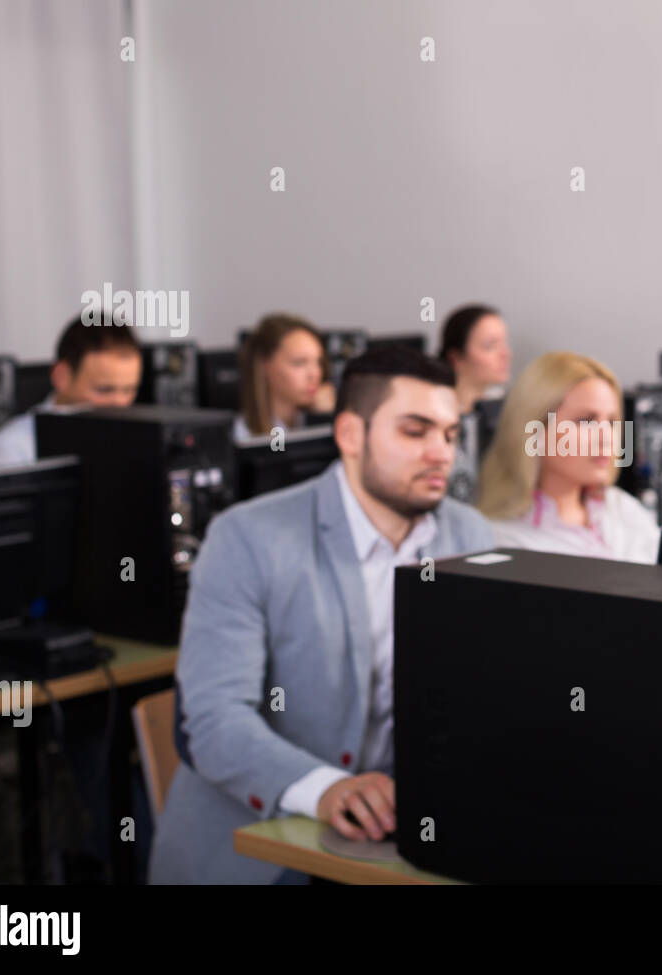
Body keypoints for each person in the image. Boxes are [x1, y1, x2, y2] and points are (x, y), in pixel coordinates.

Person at [149, 346, 494, 884]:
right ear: (351, 434)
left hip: (397, 837)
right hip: (259, 847)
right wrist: (327, 788)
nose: (441, 453)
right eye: (415, 431)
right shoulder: (247, 538)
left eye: (450, 434)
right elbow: (214, 720)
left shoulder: (469, 535)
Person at [478, 351, 661, 564]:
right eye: (585, 421)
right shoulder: (500, 541)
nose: (606, 439)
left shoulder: (622, 508)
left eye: (611, 422)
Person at [0, 313, 142, 468]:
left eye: (129, 390)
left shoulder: (140, 443)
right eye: (104, 390)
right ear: (62, 376)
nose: (120, 403)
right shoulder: (13, 451)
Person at [437, 304, 512, 503]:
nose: (505, 354)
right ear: (456, 357)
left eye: (504, 344)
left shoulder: (504, 410)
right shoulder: (437, 417)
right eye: (490, 346)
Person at [234, 313, 335, 440]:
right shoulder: (241, 434)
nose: (315, 374)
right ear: (265, 366)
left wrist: (327, 418)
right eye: (299, 362)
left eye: (319, 362)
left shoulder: (315, 419)